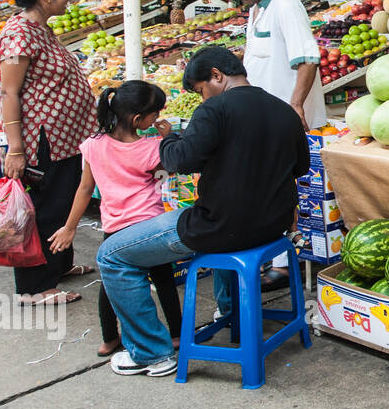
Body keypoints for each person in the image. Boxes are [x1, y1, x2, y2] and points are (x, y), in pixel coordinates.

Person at [96, 47, 309, 377]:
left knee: (111, 254)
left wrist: (169, 140)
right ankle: (230, 310)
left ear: (216, 76)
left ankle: (151, 353)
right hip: (272, 226)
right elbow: (301, 166)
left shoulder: (215, 109)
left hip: (219, 227)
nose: (201, 98)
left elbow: (180, 160)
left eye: (199, 90)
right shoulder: (284, 110)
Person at [51, 81, 183, 357]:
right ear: (138, 119)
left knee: (110, 284)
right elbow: (174, 165)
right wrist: (169, 137)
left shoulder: (92, 146)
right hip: (148, 226)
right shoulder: (150, 148)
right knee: (163, 280)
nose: (157, 118)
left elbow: (85, 189)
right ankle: (176, 335)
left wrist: (69, 227)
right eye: (155, 113)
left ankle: (109, 339)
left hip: (114, 228)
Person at [221, 0, 322, 289]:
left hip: (283, 116)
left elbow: (308, 58)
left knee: (283, 187)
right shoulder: (257, 9)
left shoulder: (286, 5)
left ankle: (282, 263)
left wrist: (295, 106)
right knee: (271, 186)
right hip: (263, 115)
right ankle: (276, 257)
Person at [0, 0, 97, 306]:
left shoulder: (41, 29)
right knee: (44, 210)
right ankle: (34, 288)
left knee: (63, 203)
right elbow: (9, 92)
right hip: (43, 140)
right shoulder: (18, 34)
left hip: (64, 138)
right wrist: (16, 148)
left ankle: (58, 265)